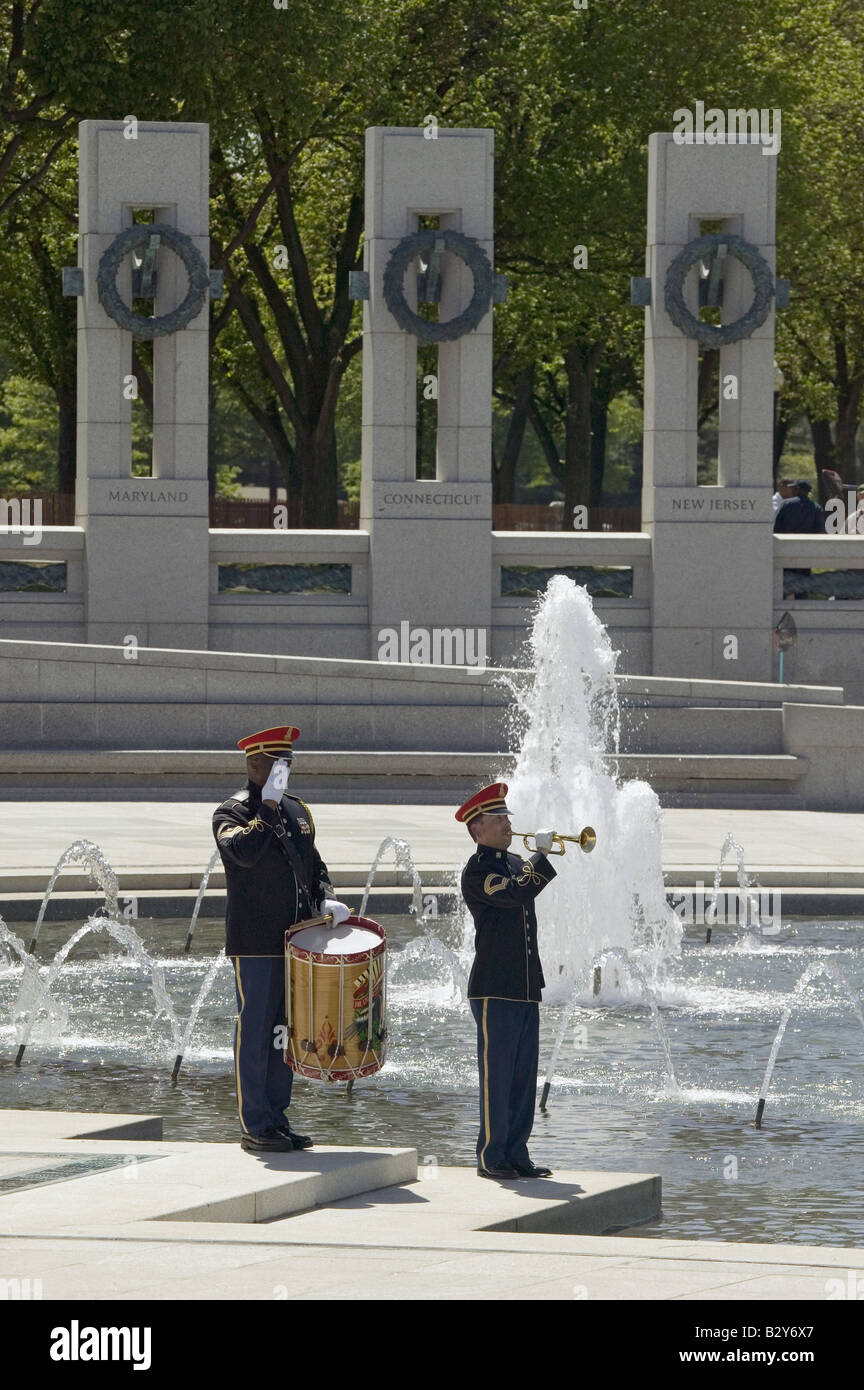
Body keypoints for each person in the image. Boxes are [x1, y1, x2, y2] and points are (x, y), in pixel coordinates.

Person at [213, 724, 351, 1153]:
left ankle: (277, 1116)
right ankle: (255, 1123)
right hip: (255, 941)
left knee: (282, 1033)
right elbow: (245, 855)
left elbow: (314, 865)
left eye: (287, 763)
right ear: (255, 764)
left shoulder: (298, 810)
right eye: (277, 763)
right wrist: (267, 808)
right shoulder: (231, 813)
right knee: (255, 1031)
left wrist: (327, 897)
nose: (283, 770)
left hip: (296, 941)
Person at [457, 782, 557, 1181]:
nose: (506, 824)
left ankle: (517, 1152)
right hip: (493, 986)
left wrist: (535, 859)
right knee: (496, 1076)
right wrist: (542, 856)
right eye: (497, 820)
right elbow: (516, 895)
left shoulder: (515, 863)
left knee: (522, 1076)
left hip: (524, 984)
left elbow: (524, 889)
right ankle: (491, 1154)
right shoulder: (479, 870)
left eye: (505, 818)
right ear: (476, 829)